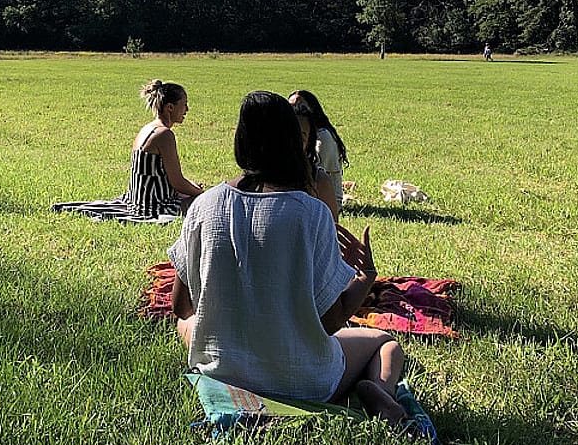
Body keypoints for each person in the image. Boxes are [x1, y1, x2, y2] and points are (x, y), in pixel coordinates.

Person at [168, 91, 406, 424]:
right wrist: (365, 276)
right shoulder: (311, 213)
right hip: (304, 382)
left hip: (224, 372)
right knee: (384, 344)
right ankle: (379, 391)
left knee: (186, 325)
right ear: (294, 142)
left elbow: (182, 307)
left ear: (240, 139)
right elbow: (330, 321)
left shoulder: (203, 206)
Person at [52, 79, 204, 223]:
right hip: (154, 206)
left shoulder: (148, 128)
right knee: (205, 203)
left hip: (138, 199)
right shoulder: (164, 135)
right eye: (184, 105)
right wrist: (200, 193)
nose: (187, 109)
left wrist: (189, 186)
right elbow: (177, 183)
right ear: (170, 107)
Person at [287, 90, 346, 206]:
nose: (296, 110)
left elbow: (315, 176)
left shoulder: (323, 137)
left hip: (326, 200)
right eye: (291, 106)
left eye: (300, 106)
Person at [293, 99, 340, 221]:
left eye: (301, 138)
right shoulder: (257, 180)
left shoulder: (319, 181)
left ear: (309, 142)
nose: (291, 142)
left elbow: (332, 232)